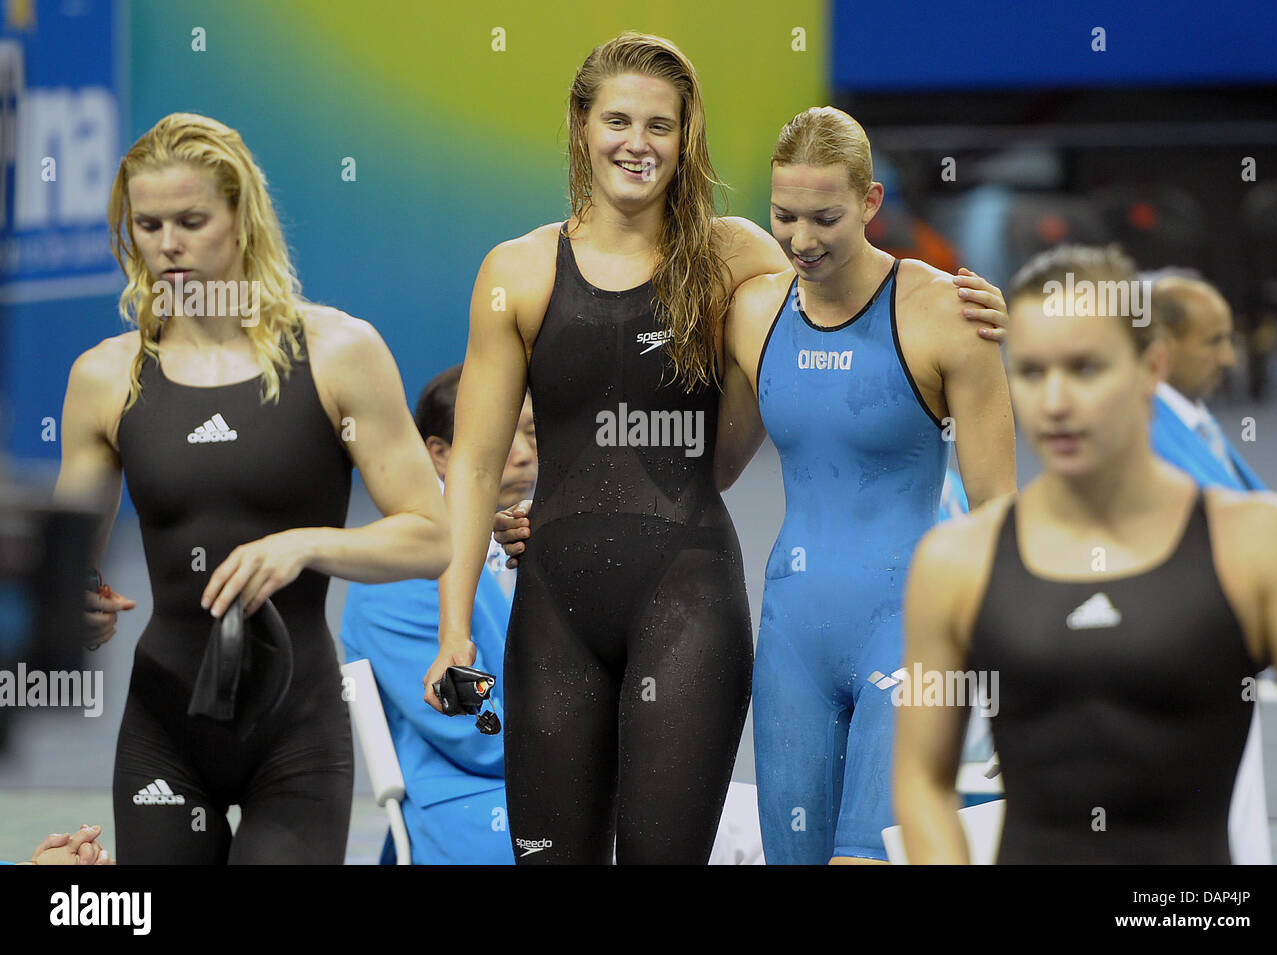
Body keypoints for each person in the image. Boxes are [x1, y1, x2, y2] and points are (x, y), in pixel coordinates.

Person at [492, 107, 1015, 865]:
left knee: (867, 859)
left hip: (914, 630)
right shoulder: (754, 311)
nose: (802, 240)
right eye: (786, 216)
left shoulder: (949, 315)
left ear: (871, 204)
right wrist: (562, 513)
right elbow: (710, 466)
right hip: (792, 641)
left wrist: (1012, 674)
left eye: (826, 217)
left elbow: (998, 512)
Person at [422, 32, 801, 865]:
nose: (639, 144)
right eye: (619, 121)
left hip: (688, 602)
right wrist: (455, 628)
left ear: (687, 136)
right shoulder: (517, 273)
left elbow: (846, 304)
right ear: (582, 126)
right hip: (554, 614)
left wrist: (948, 302)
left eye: (661, 126)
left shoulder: (735, 256)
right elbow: (477, 466)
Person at [55, 113, 450, 864]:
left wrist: (308, 544)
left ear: (241, 221)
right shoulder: (106, 377)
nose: (168, 244)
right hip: (164, 727)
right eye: (148, 224)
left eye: (192, 220)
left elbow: (433, 535)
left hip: (295, 728)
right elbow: (71, 561)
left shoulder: (339, 354)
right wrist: (71, 603)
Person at [896, 245, 1277, 864]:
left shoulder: (1259, 543)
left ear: (1152, 368)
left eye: (1085, 369)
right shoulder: (953, 561)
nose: (1055, 401)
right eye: (1031, 373)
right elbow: (922, 782)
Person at [341, 366, 535, 865]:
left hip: (580, 796)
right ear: (440, 454)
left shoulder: (552, 541)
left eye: (531, 432)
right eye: (501, 434)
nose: (522, 452)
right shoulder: (393, 577)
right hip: (481, 816)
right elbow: (482, 735)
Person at [1147, 273, 1271, 864]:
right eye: (1214, 341)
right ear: (1162, 347)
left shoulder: (1195, 420)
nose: (1229, 357)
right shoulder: (1145, 435)